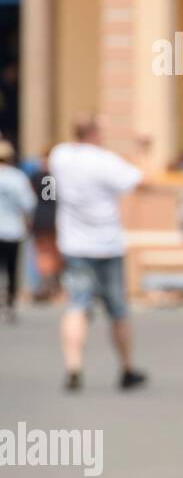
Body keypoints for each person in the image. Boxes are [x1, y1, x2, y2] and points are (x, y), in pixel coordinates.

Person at [49, 114, 149, 392]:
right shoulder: (105, 161)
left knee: (77, 306)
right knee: (118, 310)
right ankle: (127, 368)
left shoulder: (60, 156)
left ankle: (73, 367)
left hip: (75, 245)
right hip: (107, 245)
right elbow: (141, 180)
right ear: (94, 133)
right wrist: (143, 150)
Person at [0, 137, 35, 321]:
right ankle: (10, 303)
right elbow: (28, 203)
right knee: (12, 269)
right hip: (12, 230)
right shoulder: (17, 177)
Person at [25, 149, 61, 301]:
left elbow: (29, 197)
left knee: (42, 252)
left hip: (39, 217)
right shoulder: (54, 177)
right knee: (52, 251)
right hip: (53, 216)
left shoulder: (36, 176)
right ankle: (51, 284)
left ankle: (45, 283)